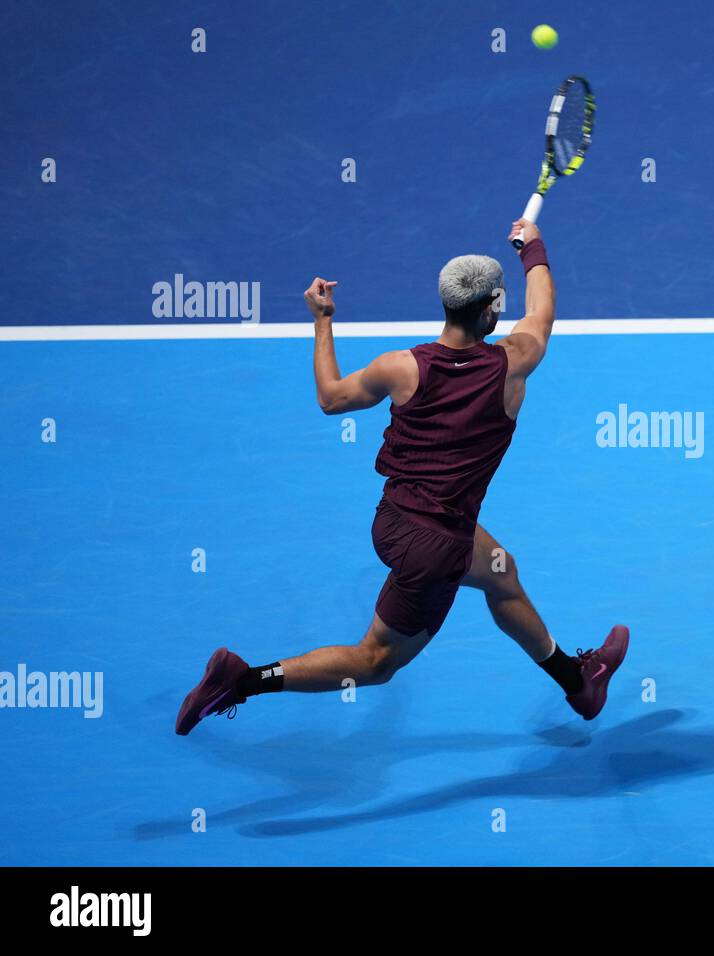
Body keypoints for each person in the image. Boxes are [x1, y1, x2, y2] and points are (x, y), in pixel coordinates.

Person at [175, 220, 628, 735]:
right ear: (490, 310)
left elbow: (330, 397)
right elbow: (541, 313)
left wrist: (323, 320)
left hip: (394, 518)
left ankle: (578, 681)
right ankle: (241, 681)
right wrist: (531, 246)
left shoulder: (400, 367)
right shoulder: (512, 364)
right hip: (435, 546)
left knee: (500, 572)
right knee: (376, 662)